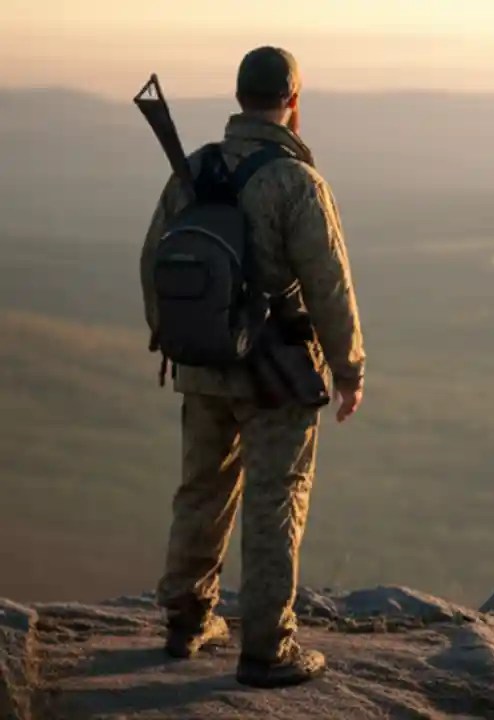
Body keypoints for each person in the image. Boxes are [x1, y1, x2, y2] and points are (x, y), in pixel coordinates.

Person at [140, 46, 366, 688]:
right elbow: (329, 285)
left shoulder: (196, 167)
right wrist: (349, 370)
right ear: (293, 102)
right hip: (277, 373)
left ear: (239, 97)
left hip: (203, 364)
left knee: (201, 490)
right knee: (275, 499)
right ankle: (268, 649)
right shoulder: (297, 183)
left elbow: (151, 261)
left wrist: (176, 338)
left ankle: (187, 621)